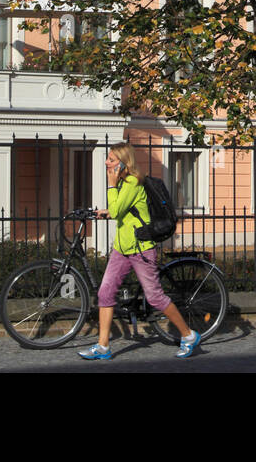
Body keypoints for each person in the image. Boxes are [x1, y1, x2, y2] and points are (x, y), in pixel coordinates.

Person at [78, 142, 201, 360]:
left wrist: (111, 185)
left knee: (155, 298)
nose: (107, 162)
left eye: (112, 160)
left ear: (123, 162)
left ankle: (189, 334)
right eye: (108, 158)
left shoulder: (132, 181)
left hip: (140, 249)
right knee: (105, 293)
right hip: (122, 248)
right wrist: (106, 210)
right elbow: (122, 210)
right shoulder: (125, 182)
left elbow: (118, 209)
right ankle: (103, 346)